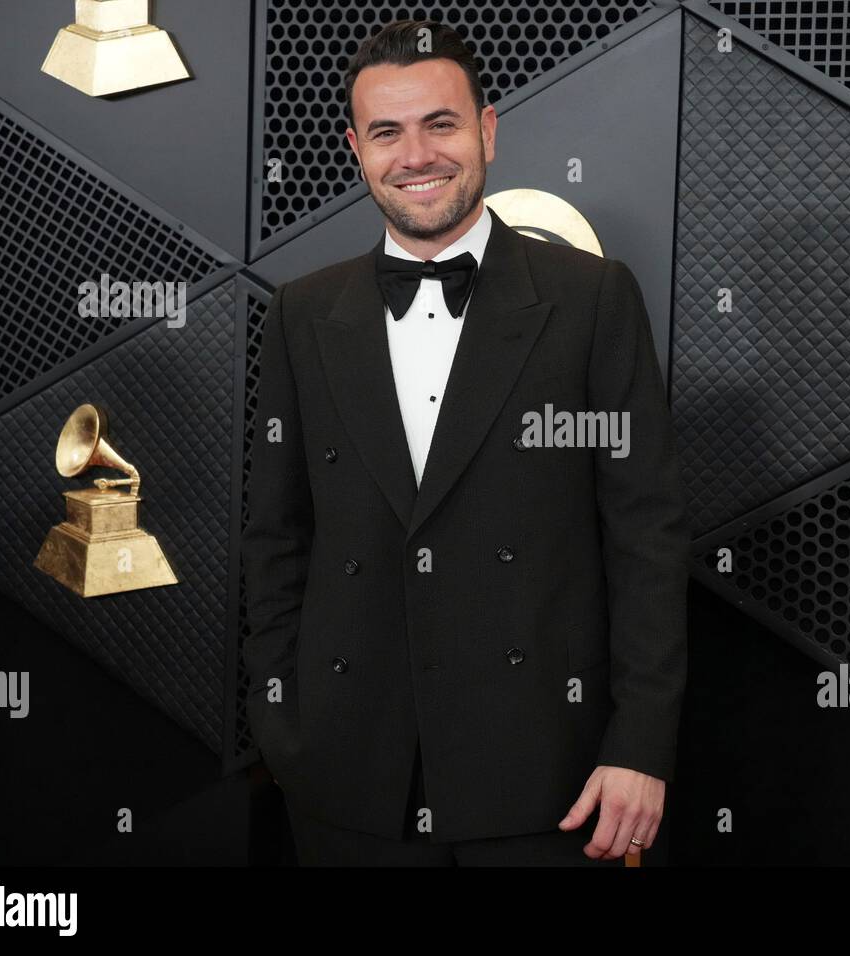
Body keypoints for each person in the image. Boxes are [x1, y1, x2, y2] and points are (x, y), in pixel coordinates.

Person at [241, 18, 689, 866]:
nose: (416, 155)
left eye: (440, 124)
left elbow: (647, 540)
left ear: (486, 128)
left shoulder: (591, 300)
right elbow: (277, 540)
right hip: (347, 779)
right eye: (387, 132)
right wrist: (284, 724)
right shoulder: (302, 313)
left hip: (550, 777)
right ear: (356, 148)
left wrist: (640, 745)